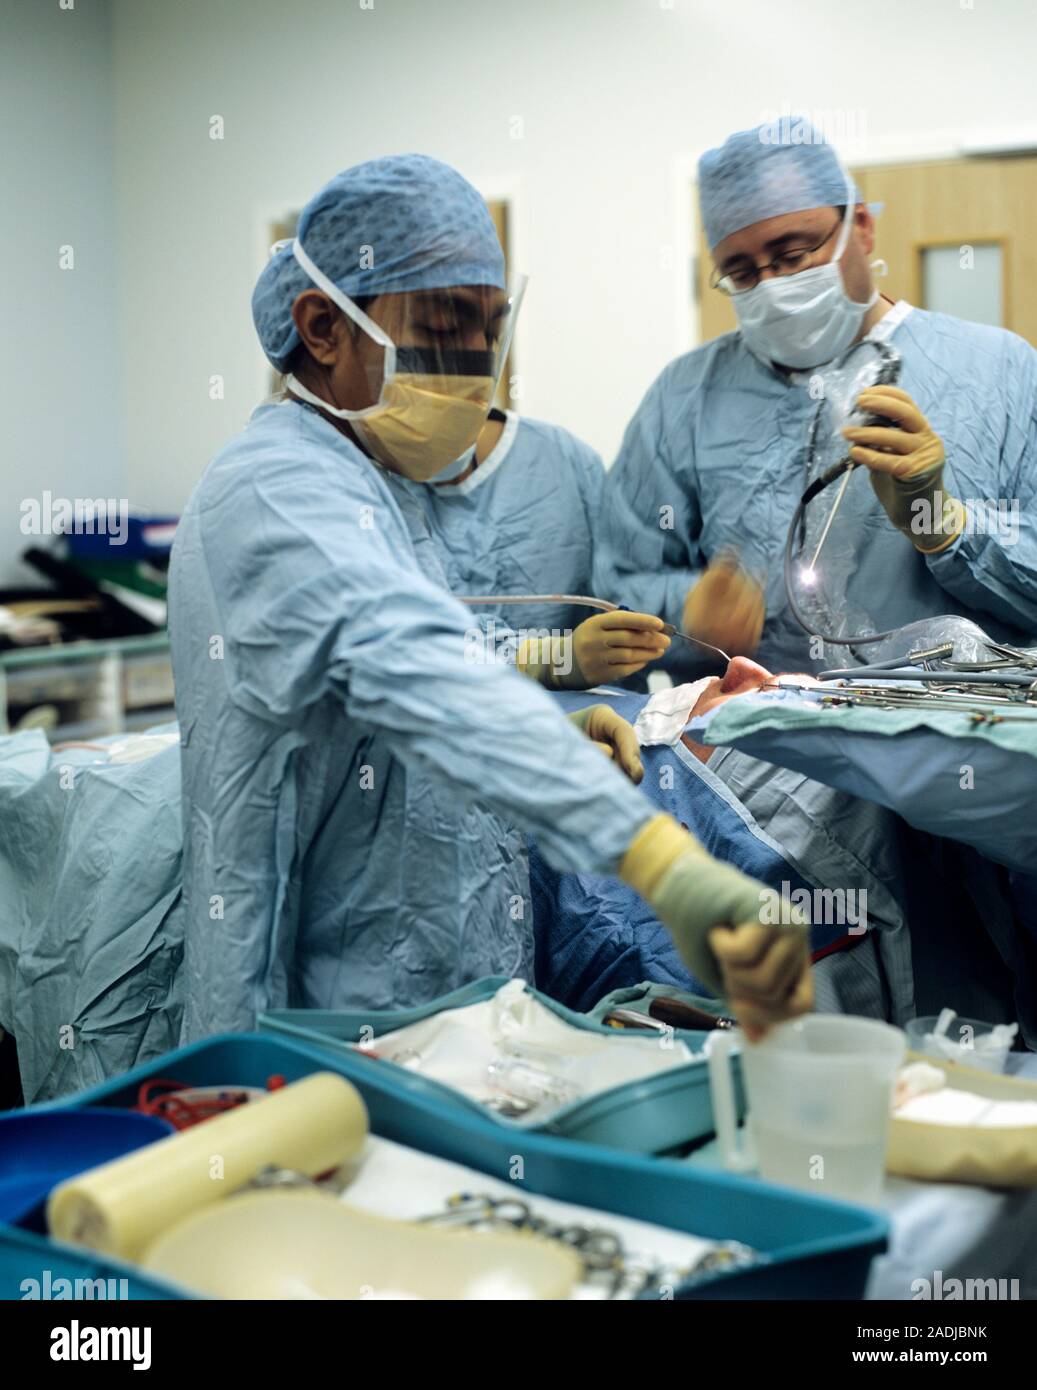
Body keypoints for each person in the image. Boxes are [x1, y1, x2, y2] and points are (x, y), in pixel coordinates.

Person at [168, 154, 810, 1042]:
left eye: (489, 328)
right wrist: (659, 861)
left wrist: (550, 729)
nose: (474, 363)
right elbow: (420, 672)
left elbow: (394, 706)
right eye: (442, 324)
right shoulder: (275, 489)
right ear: (322, 327)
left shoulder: (383, 486)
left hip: (445, 987)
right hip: (324, 1006)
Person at [594, 122, 1037, 676]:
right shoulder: (682, 398)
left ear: (863, 226)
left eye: (795, 253)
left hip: (947, 743)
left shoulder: (999, 370)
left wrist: (945, 526)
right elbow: (617, 584)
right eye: (741, 271)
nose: (773, 284)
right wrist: (688, 612)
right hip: (748, 747)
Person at [383, 406, 672, 689]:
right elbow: (404, 641)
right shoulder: (373, 490)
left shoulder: (564, 462)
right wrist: (554, 660)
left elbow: (627, 592)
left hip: (589, 713)